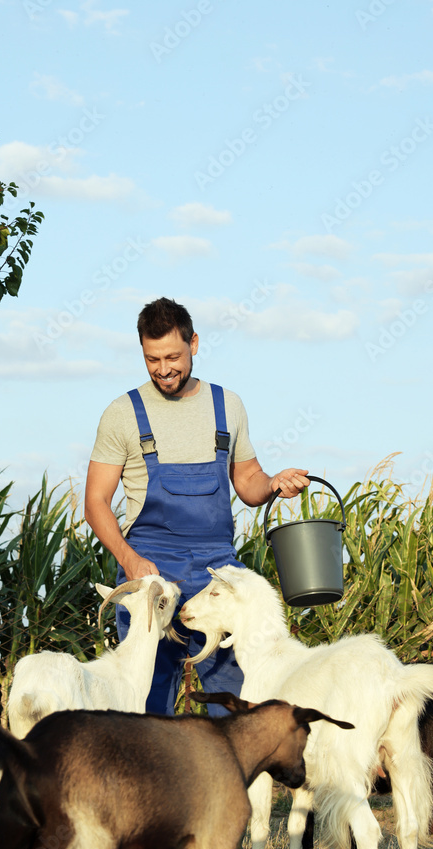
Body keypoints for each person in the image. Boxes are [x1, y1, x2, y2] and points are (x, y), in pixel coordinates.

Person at [84, 297, 309, 715]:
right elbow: (95, 502)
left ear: (195, 344)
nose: (163, 368)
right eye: (152, 359)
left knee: (241, 710)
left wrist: (274, 484)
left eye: (173, 356)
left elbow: (247, 482)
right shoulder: (122, 414)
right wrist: (129, 560)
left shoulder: (228, 405)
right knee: (146, 714)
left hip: (218, 577)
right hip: (151, 577)